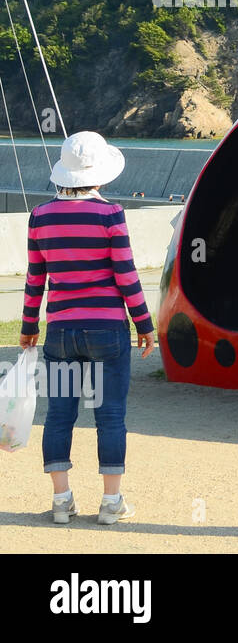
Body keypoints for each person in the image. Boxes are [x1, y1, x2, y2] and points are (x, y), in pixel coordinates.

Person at [19, 131, 156, 525]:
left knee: (59, 414)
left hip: (60, 333)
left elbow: (35, 279)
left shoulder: (40, 216)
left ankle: (62, 501)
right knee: (110, 414)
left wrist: (29, 327)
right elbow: (126, 275)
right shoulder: (111, 215)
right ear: (99, 175)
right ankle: (111, 504)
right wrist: (144, 324)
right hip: (107, 330)